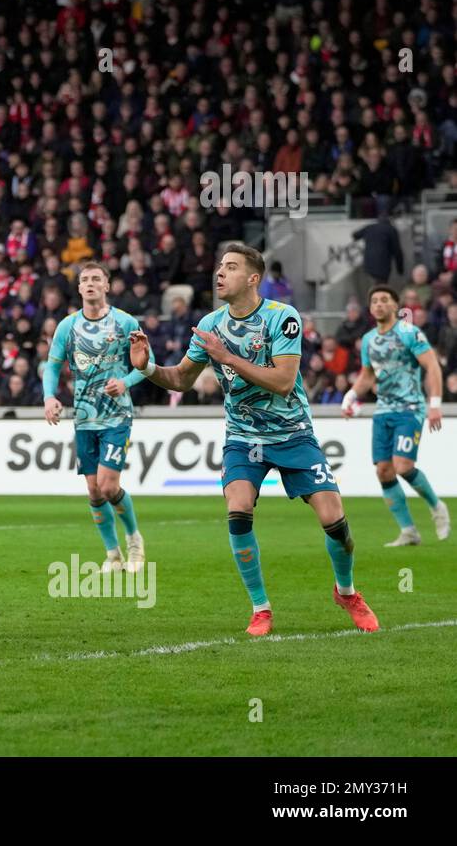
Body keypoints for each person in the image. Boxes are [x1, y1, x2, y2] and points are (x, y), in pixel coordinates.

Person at [129, 243, 379, 637]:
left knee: (335, 523)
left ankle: (346, 592)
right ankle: (260, 608)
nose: (220, 273)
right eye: (219, 266)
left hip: (294, 433)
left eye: (230, 267)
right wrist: (147, 368)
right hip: (243, 438)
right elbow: (180, 378)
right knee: (238, 509)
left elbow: (282, 383)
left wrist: (227, 358)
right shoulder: (210, 325)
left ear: (253, 278)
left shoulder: (283, 318)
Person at [43, 262, 148, 573]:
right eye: (84, 280)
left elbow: (147, 362)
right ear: (78, 288)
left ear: (107, 286)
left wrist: (125, 382)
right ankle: (113, 554)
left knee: (108, 485)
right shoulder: (67, 327)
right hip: (84, 417)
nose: (89, 284)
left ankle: (134, 541)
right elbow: (52, 366)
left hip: (117, 417)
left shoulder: (125, 323)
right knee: (93, 490)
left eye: (95, 279)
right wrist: (50, 397)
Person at [342, 285, 449, 545]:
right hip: (383, 411)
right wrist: (351, 395)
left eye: (384, 300)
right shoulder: (368, 339)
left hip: (410, 409)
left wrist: (435, 404)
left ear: (395, 305)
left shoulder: (409, 332)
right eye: (374, 301)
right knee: (384, 471)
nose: (379, 304)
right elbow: (368, 374)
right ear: (371, 308)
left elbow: (432, 366)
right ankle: (409, 531)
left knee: (403, 466)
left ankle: (437, 507)